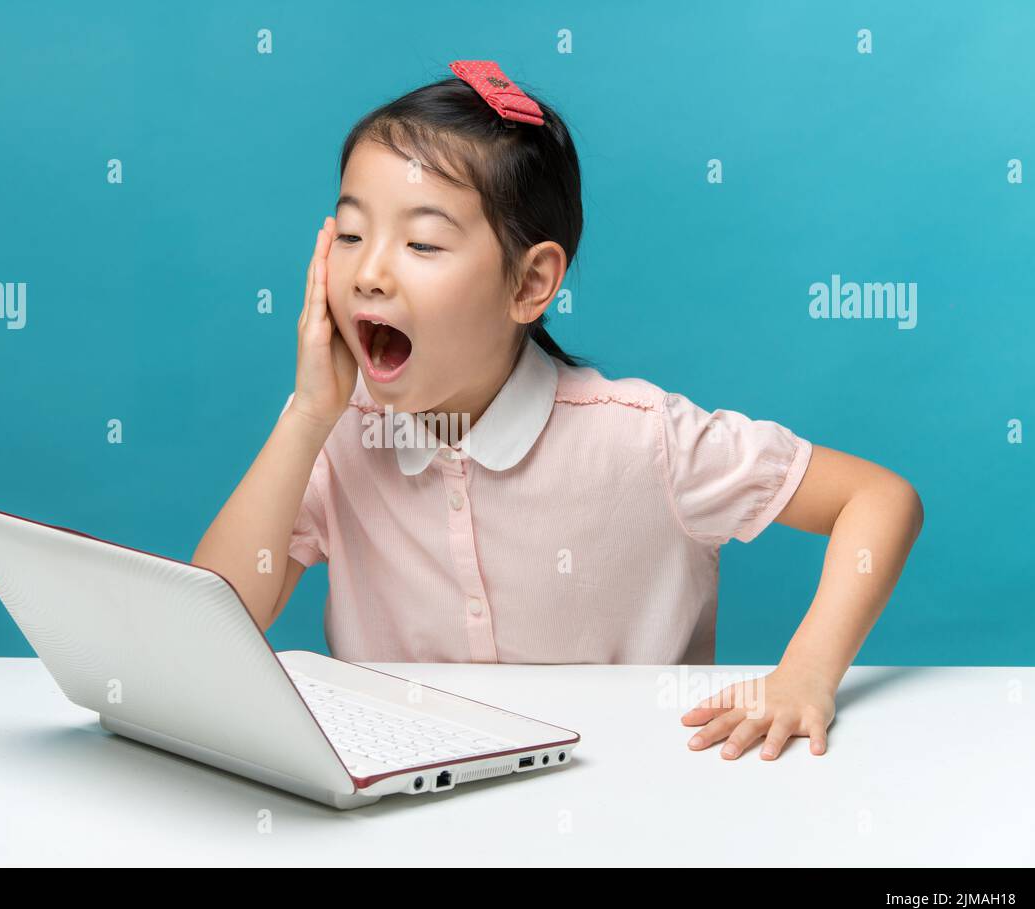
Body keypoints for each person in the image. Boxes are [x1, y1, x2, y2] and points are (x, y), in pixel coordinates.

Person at [193, 63, 924, 760]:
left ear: (531, 282)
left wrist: (806, 673)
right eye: (350, 235)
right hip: (408, 799)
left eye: (421, 242)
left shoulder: (642, 437)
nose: (371, 272)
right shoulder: (339, 438)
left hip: (637, 789)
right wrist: (307, 413)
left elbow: (879, 499)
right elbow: (214, 621)